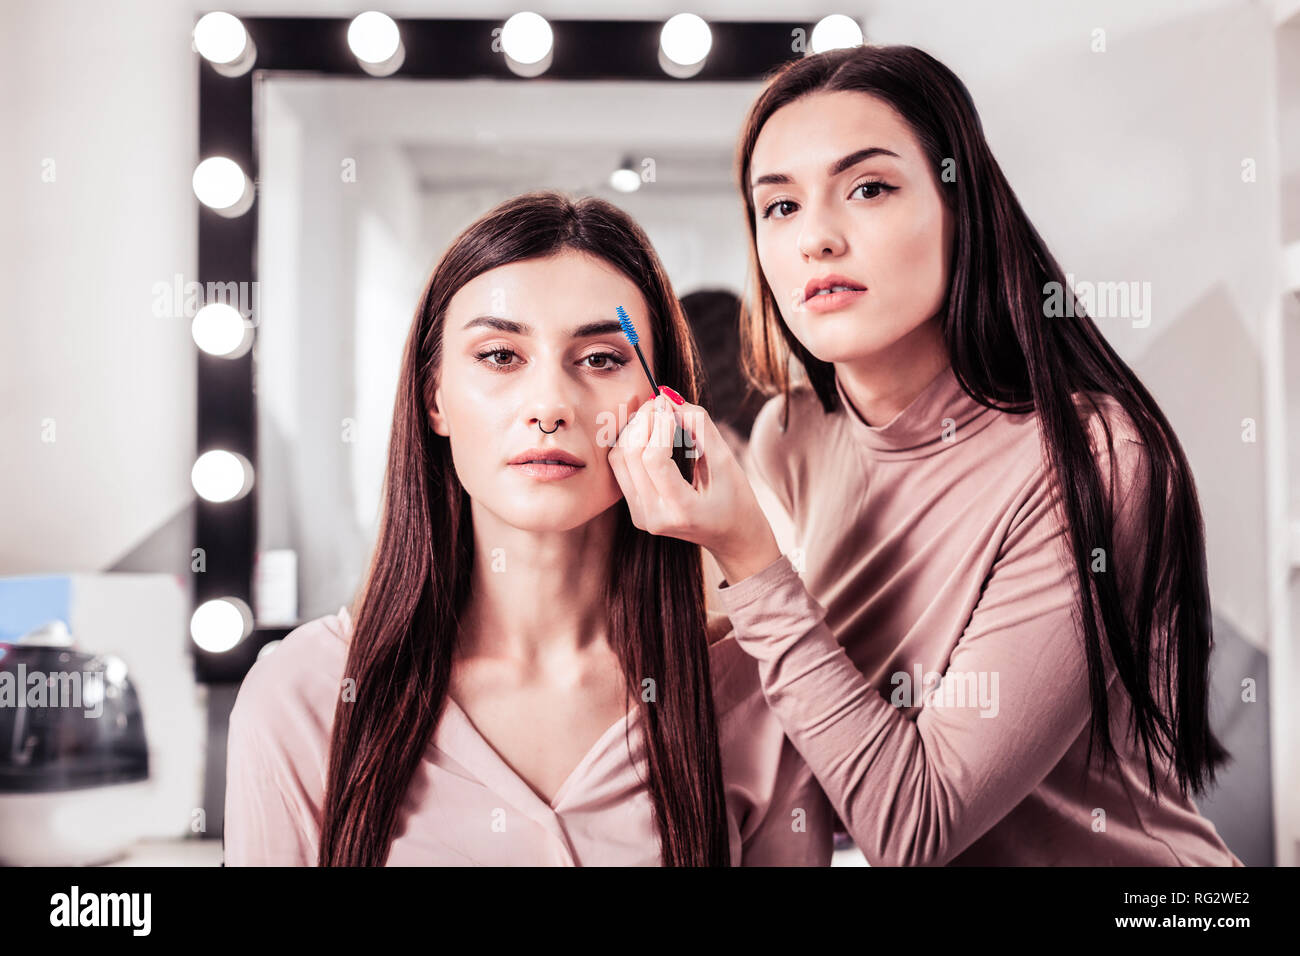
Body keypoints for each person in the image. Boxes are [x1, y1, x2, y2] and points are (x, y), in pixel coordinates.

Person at [610, 45, 1243, 866]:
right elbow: (816, 705)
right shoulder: (793, 436)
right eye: (781, 208)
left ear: (960, 206)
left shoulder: (1091, 460)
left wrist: (747, 555)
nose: (818, 241)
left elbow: (918, 825)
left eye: (868, 189)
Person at [223, 191, 834, 867]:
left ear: (666, 401)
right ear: (435, 399)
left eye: (601, 359)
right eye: (500, 356)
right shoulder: (304, 694)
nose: (549, 407)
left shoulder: (755, 695)